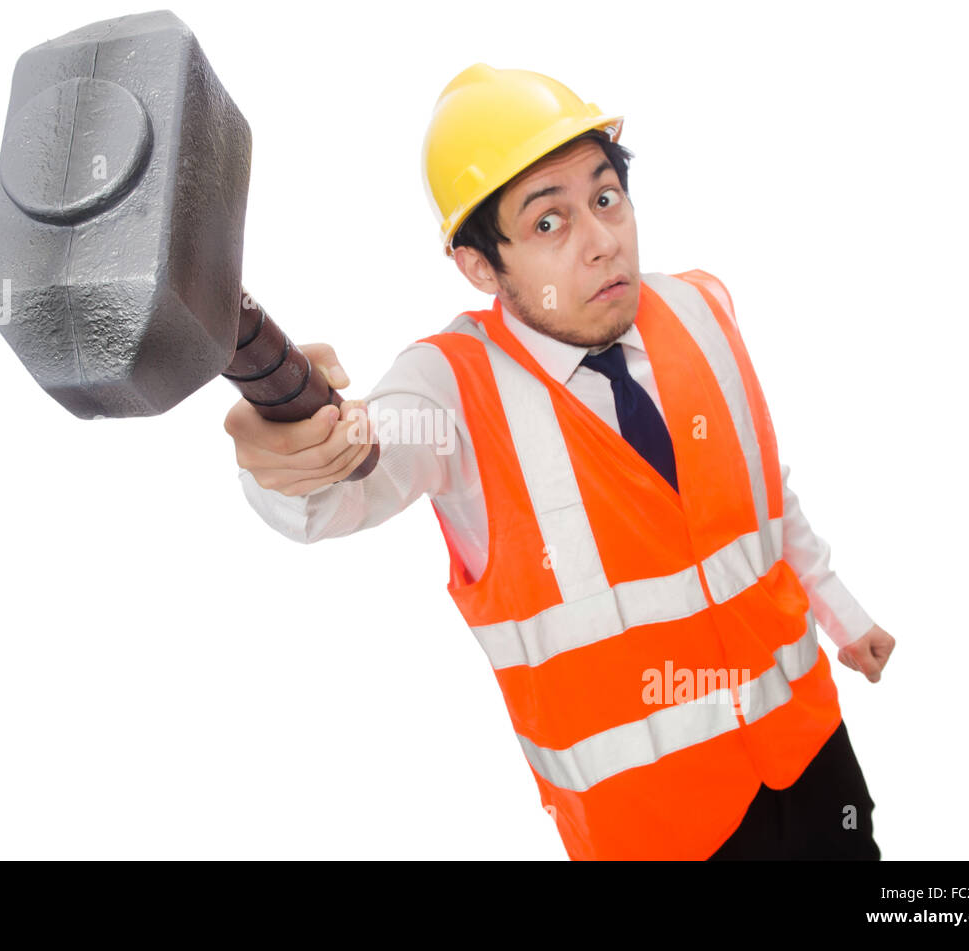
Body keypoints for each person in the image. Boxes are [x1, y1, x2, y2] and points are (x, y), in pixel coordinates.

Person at [223, 64, 896, 860]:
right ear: (480, 266)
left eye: (605, 197)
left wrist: (840, 610)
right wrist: (293, 450)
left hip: (810, 752)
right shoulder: (452, 389)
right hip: (656, 831)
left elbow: (761, 489)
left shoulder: (700, 305)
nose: (602, 239)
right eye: (549, 223)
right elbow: (354, 471)